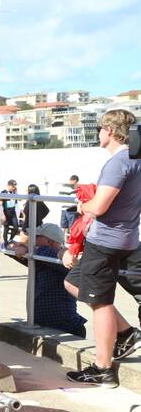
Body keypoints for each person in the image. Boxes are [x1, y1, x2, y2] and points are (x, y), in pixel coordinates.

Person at [63, 110, 141, 387]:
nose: (98, 133)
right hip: (125, 238)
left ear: (109, 130)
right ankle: (127, 332)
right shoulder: (135, 160)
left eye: (99, 128)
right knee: (74, 283)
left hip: (106, 241)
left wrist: (83, 206)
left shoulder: (118, 163)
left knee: (100, 303)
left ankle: (102, 369)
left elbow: (99, 207)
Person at [10, 224, 86, 337]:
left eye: (36, 237)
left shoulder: (48, 255)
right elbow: (6, 246)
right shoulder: (38, 256)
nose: (32, 240)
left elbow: (52, 253)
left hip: (66, 328)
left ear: (48, 241)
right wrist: (17, 247)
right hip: (58, 325)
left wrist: (24, 247)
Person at [1, 180, 20, 245]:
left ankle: (10, 240)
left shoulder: (14, 193)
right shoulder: (4, 192)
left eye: (14, 186)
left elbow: (20, 200)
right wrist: (3, 215)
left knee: (16, 227)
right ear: (8, 185)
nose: (13, 187)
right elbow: (0, 204)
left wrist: (16, 192)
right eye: (12, 186)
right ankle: (5, 242)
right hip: (6, 212)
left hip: (13, 212)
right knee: (6, 228)